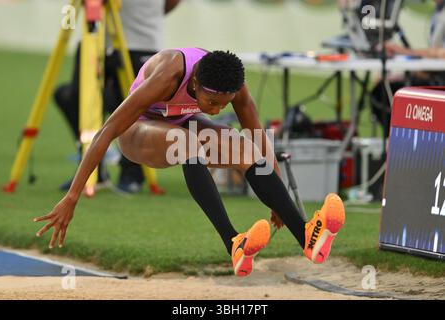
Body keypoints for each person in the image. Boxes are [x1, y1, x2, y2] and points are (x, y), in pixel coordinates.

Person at [34, 48, 345, 277]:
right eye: (212, 102)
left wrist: (278, 198)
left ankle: (306, 236)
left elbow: (259, 137)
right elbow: (107, 131)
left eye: (224, 103)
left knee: (244, 148)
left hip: (180, 127)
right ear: (194, 83)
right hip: (137, 134)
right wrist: (73, 196)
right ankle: (233, 242)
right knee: (187, 141)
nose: (216, 109)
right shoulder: (170, 74)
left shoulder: (231, 85)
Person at [54, 0, 180, 193]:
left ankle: (132, 171)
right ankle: (92, 166)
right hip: (94, 37)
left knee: (137, 108)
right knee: (73, 99)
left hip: (141, 39)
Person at [370, 0, 445, 136]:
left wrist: (404, 51)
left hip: (439, 83)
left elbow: (441, 53)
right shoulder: (438, 11)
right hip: (434, 76)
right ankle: (397, 144)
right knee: (382, 89)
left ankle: (397, 144)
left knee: (382, 93)